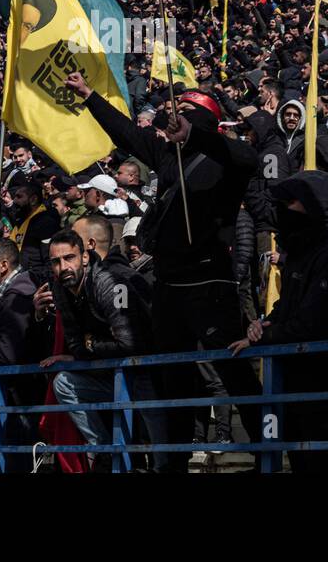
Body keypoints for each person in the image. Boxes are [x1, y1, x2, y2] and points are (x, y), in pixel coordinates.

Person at [64, 72, 263, 470]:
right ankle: (172, 460)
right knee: (170, 375)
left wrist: (196, 134)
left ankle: (267, 449)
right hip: (169, 283)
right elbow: (127, 134)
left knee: (232, 370)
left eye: (185, 113)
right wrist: (90, 96)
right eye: (174, 113)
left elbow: (247, 158)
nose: (174, 119)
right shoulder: (167, 157)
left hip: (210, 280)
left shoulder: (225, 157)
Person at [231, 171, 328, 472]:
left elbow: (313, 322)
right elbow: (287, 307)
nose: (283, 207)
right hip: (299, 383)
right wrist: (264, 324)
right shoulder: (301, 252)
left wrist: (264, 336)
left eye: (292, 201)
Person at [39, 228, 167, 471]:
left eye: (69, 258)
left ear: (84, 257)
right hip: (108, 373)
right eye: (56, 261)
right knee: (64, 382)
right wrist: (87, 346)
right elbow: (75, 343)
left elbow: (130, 344)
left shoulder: (109, 283)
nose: (63, 267)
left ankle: (163, 465)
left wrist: (89, 344)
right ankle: (104, 451)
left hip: (144, 369)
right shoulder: (60, 288)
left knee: (150, 408)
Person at [0, 238, 45, 471]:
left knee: (18, 462)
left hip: (21, 398)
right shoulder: (2, 296)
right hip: (16, 396)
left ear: (4, 266)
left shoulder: (16, 297)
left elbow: (8, 355)